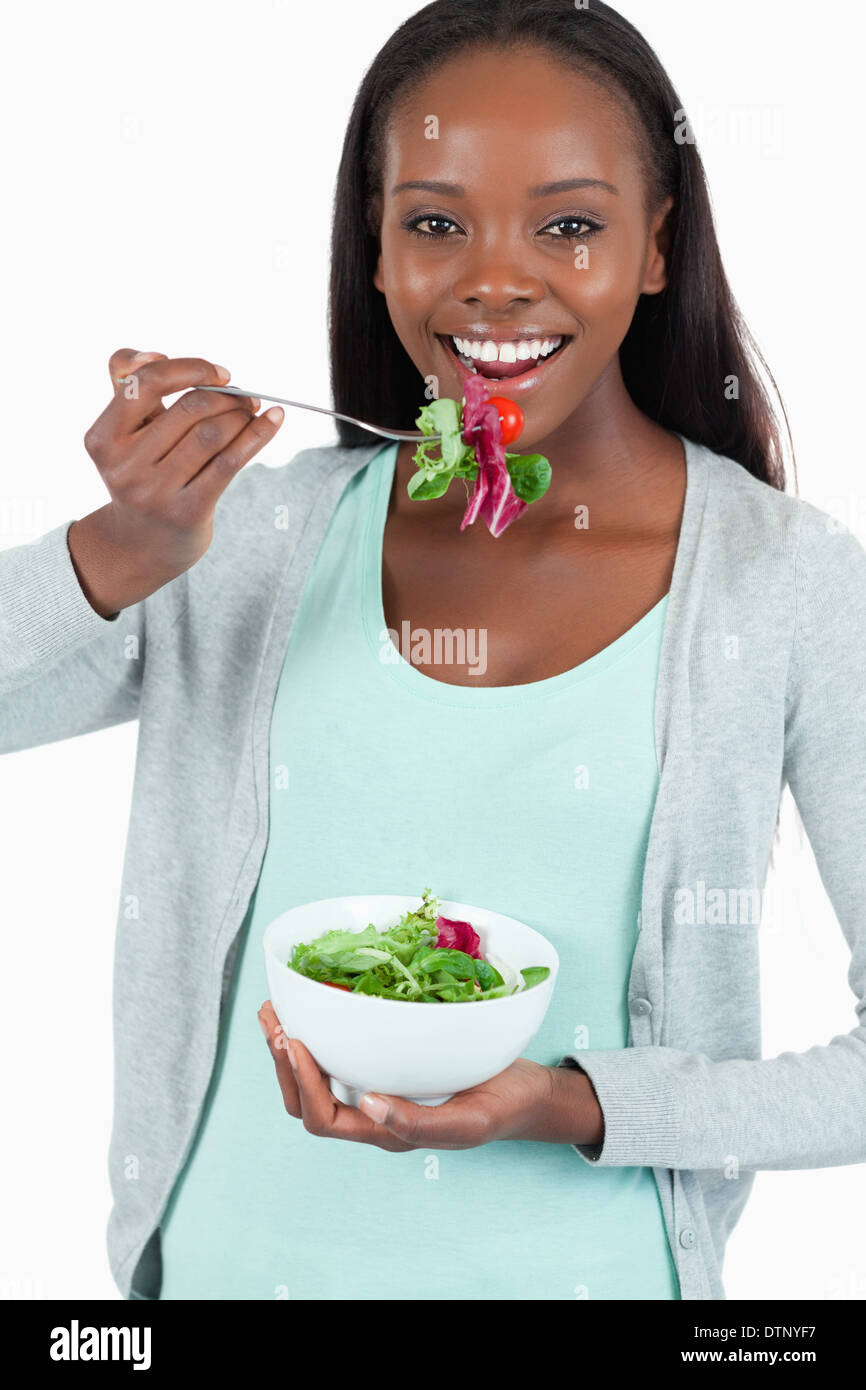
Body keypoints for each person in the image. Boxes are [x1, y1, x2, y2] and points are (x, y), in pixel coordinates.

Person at [3, 0, 865, 1301]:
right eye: (433, 223)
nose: (494, 279)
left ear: (653, 247)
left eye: (567, 223)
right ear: (374, 251)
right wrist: (119, 547)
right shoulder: (247, 538)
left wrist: (577, 1103)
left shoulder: (788, 583)